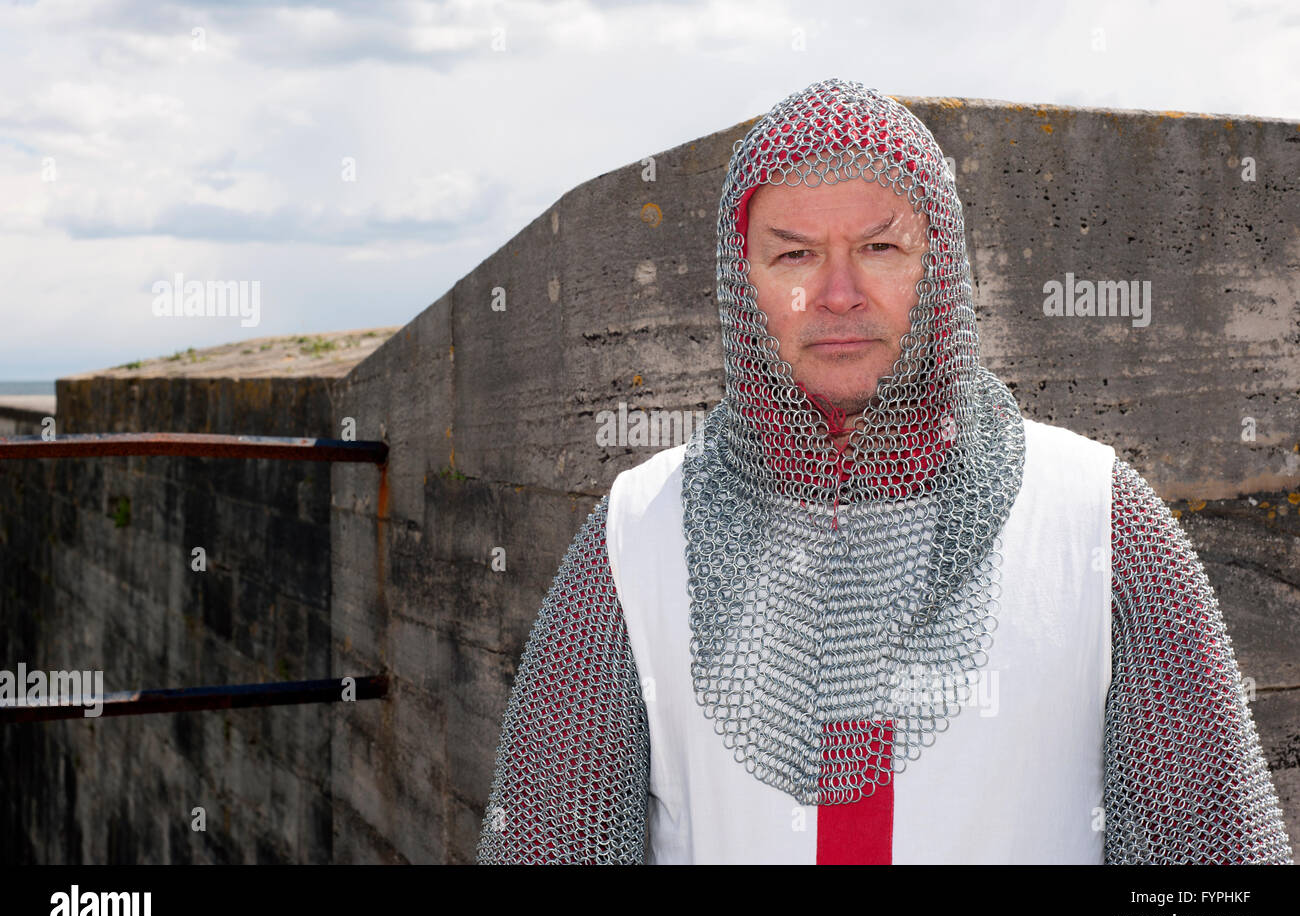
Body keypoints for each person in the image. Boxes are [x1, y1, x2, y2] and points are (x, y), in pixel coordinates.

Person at [475, 78, 1294, 864]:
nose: (838, 292)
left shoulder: (1094, 523)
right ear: (742, 282)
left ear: (937, 268)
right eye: (794, 255)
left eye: (879, 247)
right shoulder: (636, 537)